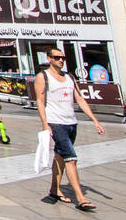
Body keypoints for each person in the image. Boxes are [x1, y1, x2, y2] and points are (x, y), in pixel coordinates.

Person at [35, 47, 105, 211]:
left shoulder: (69, 77)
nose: (61, 60)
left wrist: (95, 120)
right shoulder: (43, 76)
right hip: (55, 122)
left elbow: (79, 99)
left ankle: (54, 191)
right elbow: (40, 100)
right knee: (71, 158)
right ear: (49, 59)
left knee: (60, 156)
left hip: (71, 123)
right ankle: (80, 198)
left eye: (63, 58)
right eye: (57, 57)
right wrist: (45, 123)